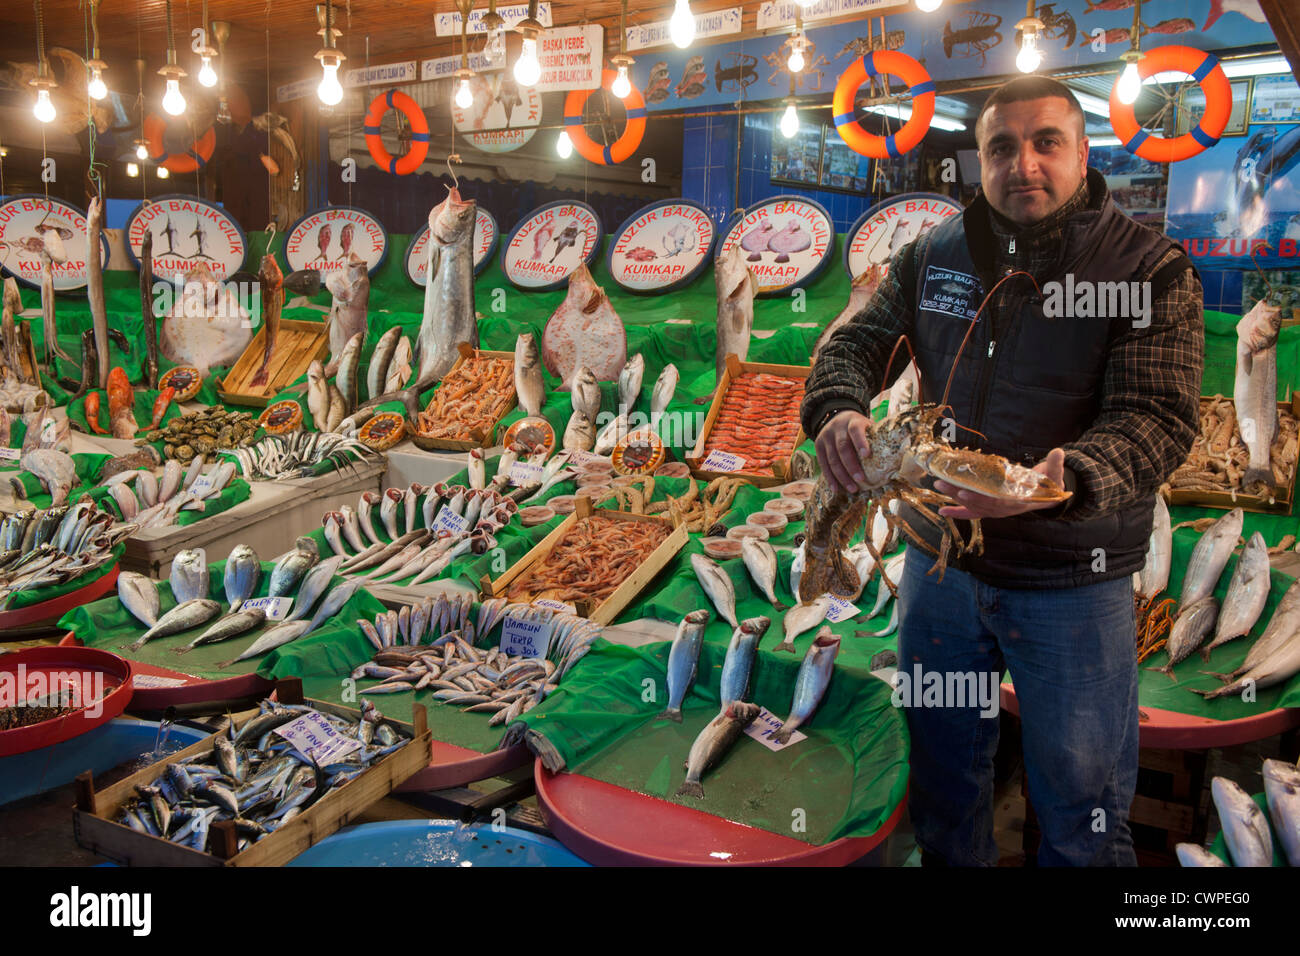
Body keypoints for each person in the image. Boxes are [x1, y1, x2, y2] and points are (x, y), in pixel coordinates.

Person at [800, 76, 1204, 866]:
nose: (1025, 164)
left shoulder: (1149, 270)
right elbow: (852, 344)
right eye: (1001, 147)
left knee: (1082, 808)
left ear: (1084, 153)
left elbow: (1158, 420)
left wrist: (1069, 478)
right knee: (945, 788)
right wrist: (840, 408)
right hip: (940, 576)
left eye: (1046, 142)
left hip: (1071, 585)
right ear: (977, 162)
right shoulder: (933, 254)